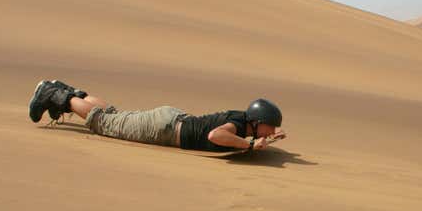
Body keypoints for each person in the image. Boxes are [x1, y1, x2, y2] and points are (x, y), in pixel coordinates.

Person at [28, 80, 286, 152]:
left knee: (112, 115)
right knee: (103, 122)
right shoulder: (239, 124)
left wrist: (265, 141)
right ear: (256, 122)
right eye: (270, 127)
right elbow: (215, 135)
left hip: (170, 120)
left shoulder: (245, 123)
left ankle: (70, 93)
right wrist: (250, 144)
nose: (272, 132)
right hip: (163, 128)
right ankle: (53, 94)